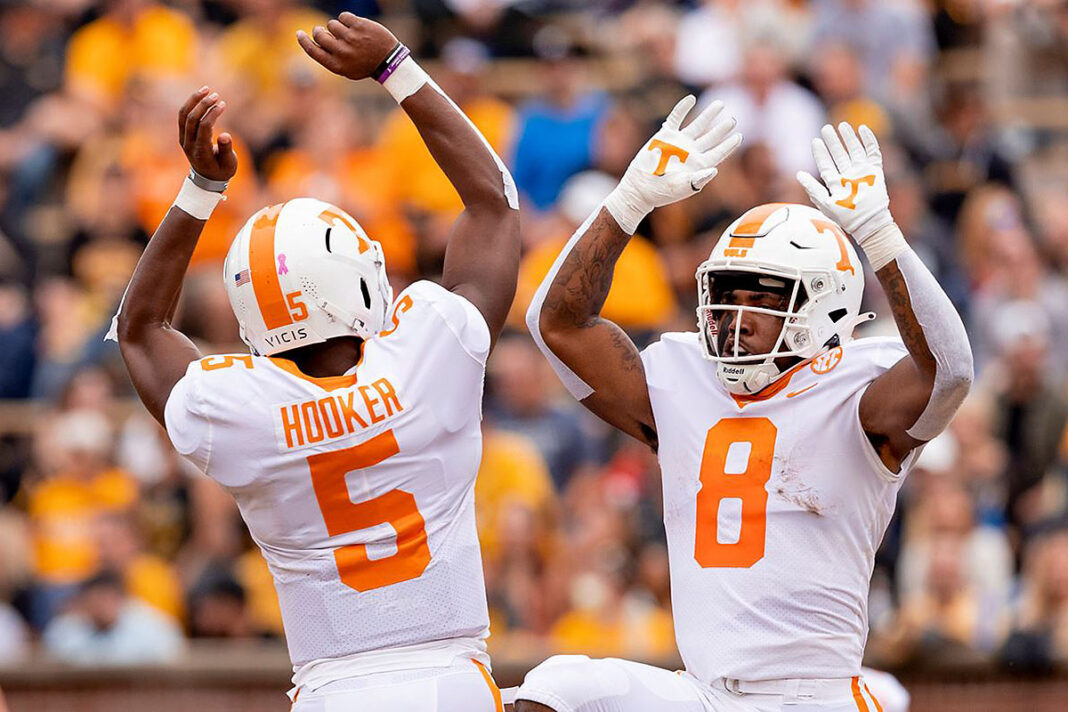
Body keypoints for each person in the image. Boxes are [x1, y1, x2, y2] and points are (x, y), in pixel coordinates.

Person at [112, 13, 519, 711]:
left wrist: (200, 190)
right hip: (451, 677)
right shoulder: (429, 353)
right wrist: (396, 68)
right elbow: (494, 204)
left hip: (335, 689)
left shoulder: (237, 408)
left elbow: (140, 328)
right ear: (359, 282)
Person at [517, 96, 972, 711]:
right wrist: (628, 203)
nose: (733, 319)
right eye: (724, 296)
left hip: (813, 697)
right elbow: (557, 325)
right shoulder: (685, 378)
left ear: (825, 306)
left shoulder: (859, 395)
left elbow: (949, 372)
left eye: (759, 298)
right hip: (703, 693)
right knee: (557, 688)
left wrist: (880, 237)